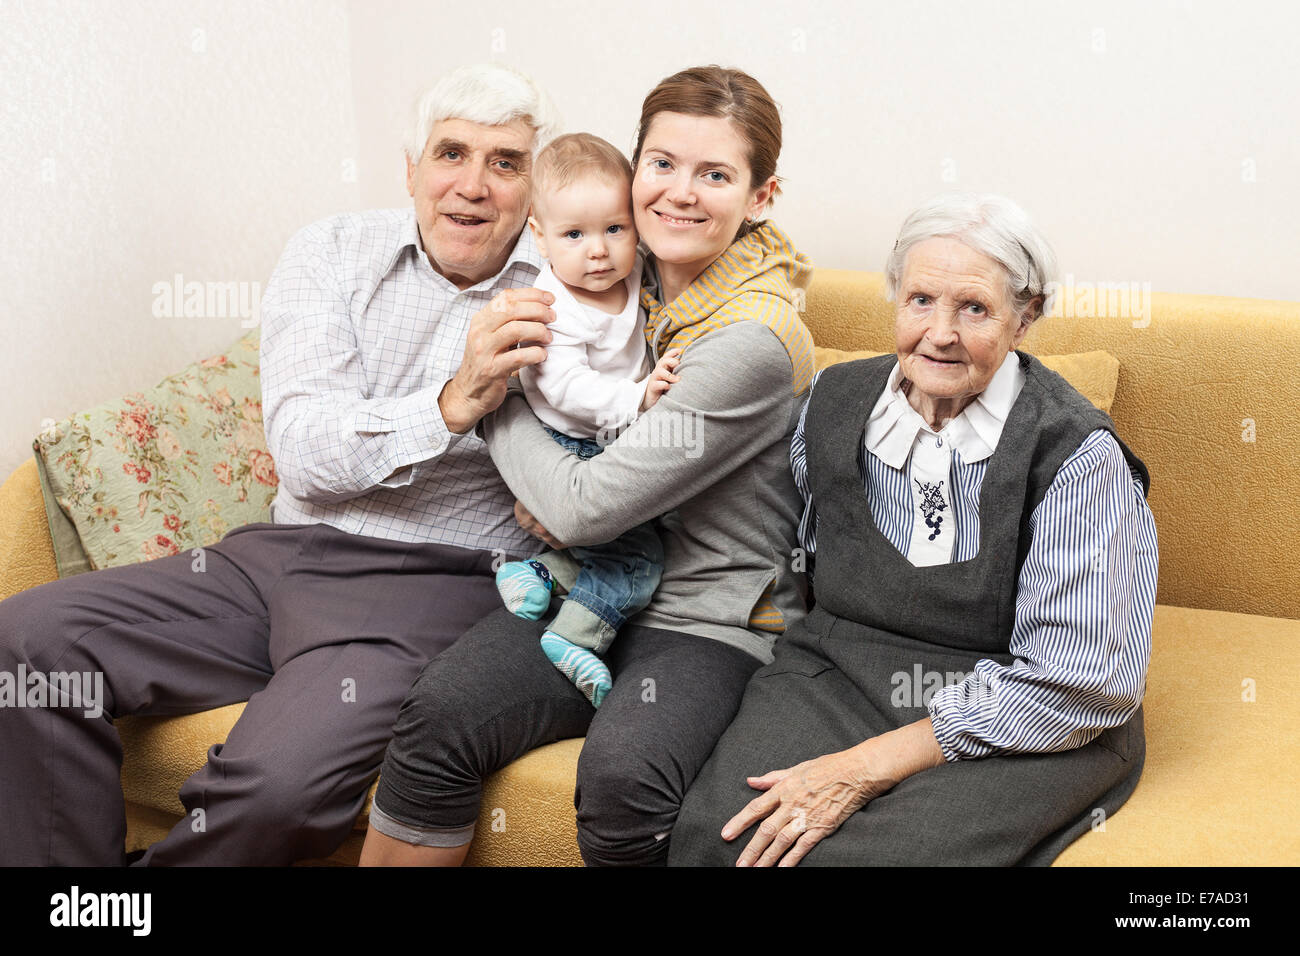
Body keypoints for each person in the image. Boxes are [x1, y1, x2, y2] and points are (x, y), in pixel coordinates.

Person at [0, 62, 565, 865]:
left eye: (505, 163)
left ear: (536, 188)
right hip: (272, 561)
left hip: (428, 590)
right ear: (411, 170)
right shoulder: (331, 250)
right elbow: (302, 449)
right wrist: (449, 404)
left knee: (279, 792)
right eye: (451, 154)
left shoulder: (570, 285)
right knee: (28, 639)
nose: (472, 186)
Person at [359, 65, 817, 867]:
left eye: (715, 174)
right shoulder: (615, 278)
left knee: (622, 774)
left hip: (707, 621)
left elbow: (580, 505)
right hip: (588, 581)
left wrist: (488, 395)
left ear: (761, 197)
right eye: (663, 164)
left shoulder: (751, 339)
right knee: (439, 714)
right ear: (632, 170)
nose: (679, 192)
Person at [668, 193, 1159, 867]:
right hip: (839, 670)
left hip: (1018, 706)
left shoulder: (1076, 455)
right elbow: (791, 553)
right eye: (921, 300)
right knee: (725, 836)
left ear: (1026, 317)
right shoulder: (832, 404)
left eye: (975, 308)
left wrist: (868, 765)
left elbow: (1081, 680)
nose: (940, 332)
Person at [492, 132, 682, 708]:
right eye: (575, 234)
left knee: (609, 542)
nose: (597, 250)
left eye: (614, 229)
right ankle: (575, 636)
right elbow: (565, 386)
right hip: (571, 437)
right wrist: (639, 397)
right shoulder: (552, 305)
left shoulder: (632, 274)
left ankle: (539, 575)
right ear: (539, 236)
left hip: (609, 432)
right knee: (639, 560)